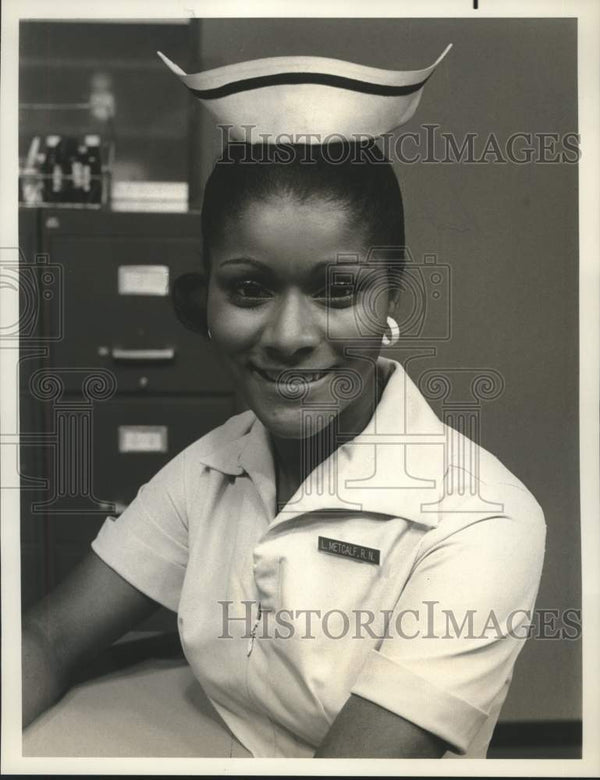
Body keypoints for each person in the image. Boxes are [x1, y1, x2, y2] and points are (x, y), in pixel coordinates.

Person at [21, 50, 546, 759]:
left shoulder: (485, 520)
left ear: (394, 298)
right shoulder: (210, 470)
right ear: (204, 300)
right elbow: (50, 636)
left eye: (337, 292)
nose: (289, 337)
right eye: (248, 289)